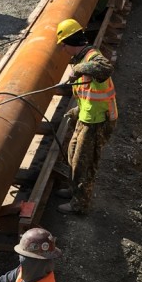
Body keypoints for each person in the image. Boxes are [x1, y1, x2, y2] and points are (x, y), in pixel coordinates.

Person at [55, 19, 117, 216]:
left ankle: (80, 205)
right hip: (86, 117)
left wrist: (77, 70)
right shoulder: (82, 59)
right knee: (73, 155)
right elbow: (87, 92)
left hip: (98, 121)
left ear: (71, 42)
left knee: (85, 163)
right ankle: (75, 191)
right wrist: (76, 112)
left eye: (63, 44)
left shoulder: (92, 57)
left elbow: (106, 68)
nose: (63, 49)